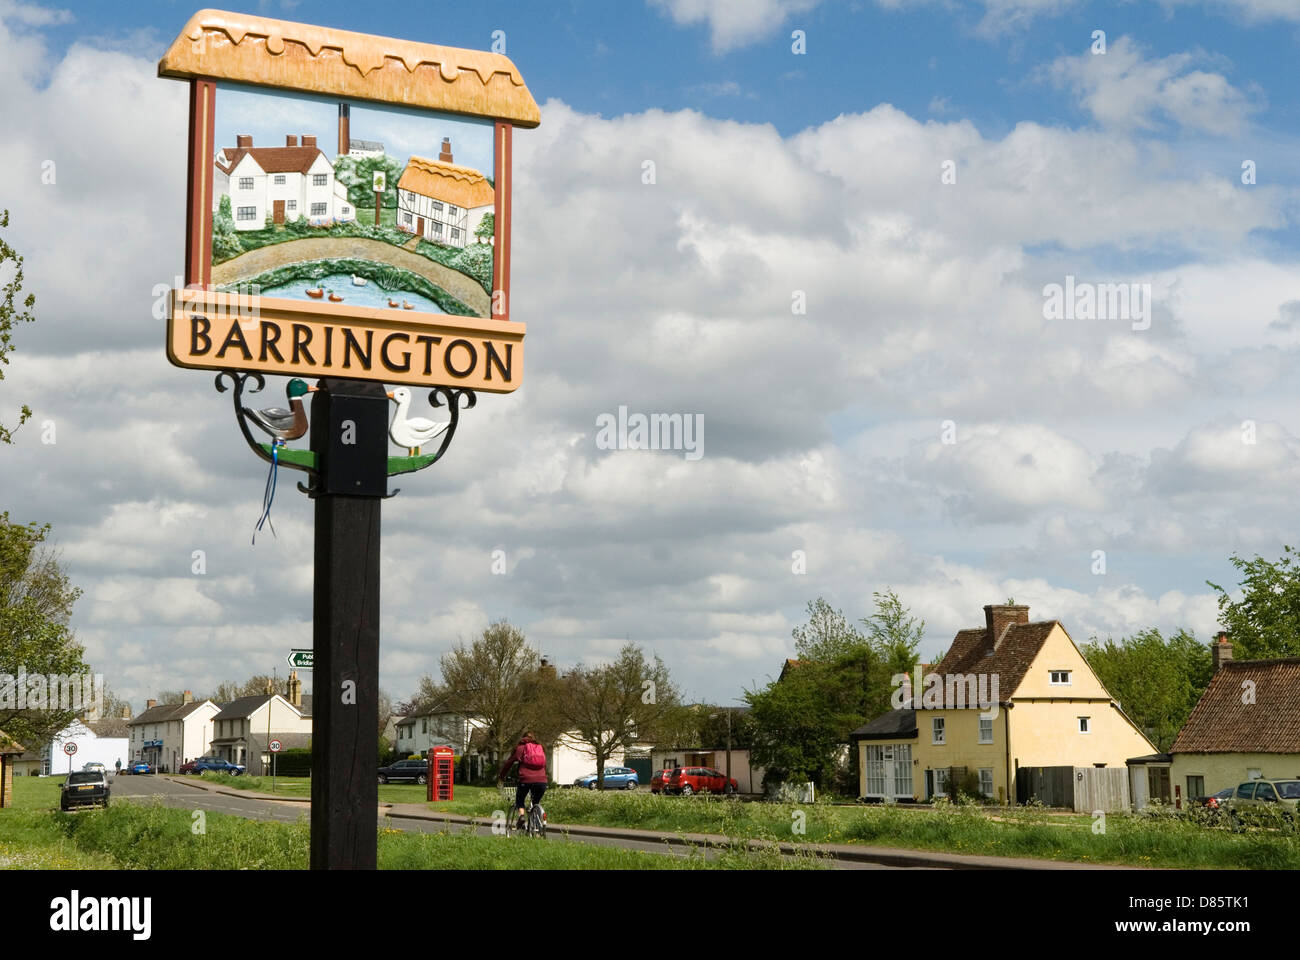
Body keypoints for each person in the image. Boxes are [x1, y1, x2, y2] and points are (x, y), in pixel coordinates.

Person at [497, 732, 547, 830]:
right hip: (542, 781)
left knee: (520, 799)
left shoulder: (520, 748)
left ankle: (521, 816)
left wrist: (502, 776)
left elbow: (509, 763)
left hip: (525, 779)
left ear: (523, 738)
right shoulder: (540, 748)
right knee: (536, 802)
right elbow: (544, 764)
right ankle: (536, 828)